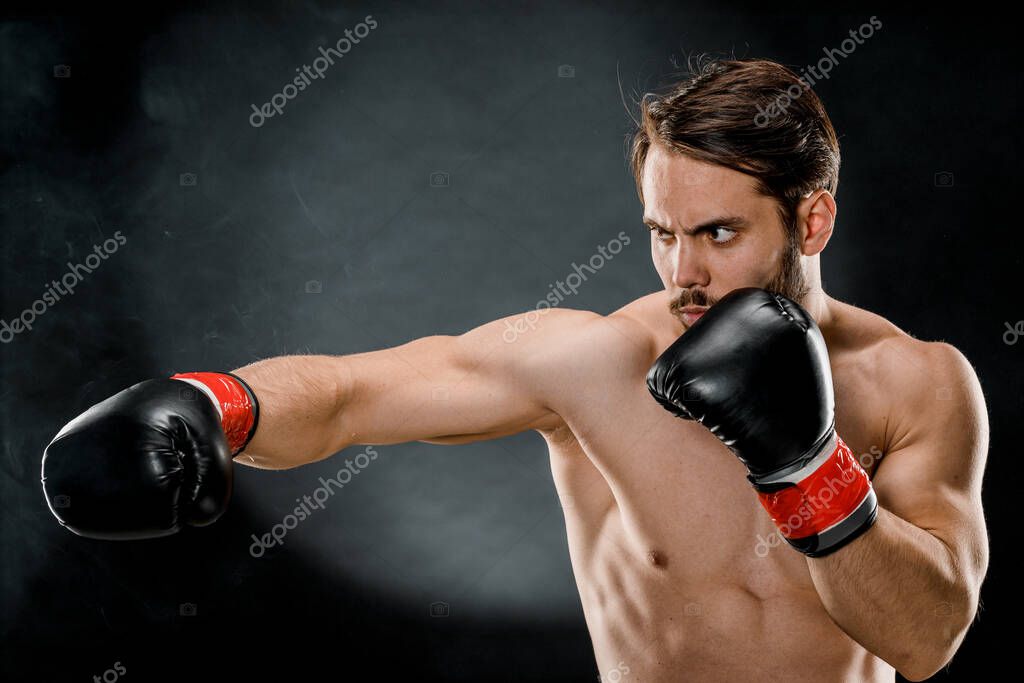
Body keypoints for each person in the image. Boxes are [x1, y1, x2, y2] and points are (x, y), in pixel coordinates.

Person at [41, 58, 989, 681]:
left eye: (719, 234)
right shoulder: (595, 361)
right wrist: (214, 405)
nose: (682, 273)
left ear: (813, 221)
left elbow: (928, 637)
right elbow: (355, 393)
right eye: (662, 233)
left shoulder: (920, 383)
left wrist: (806, 463)